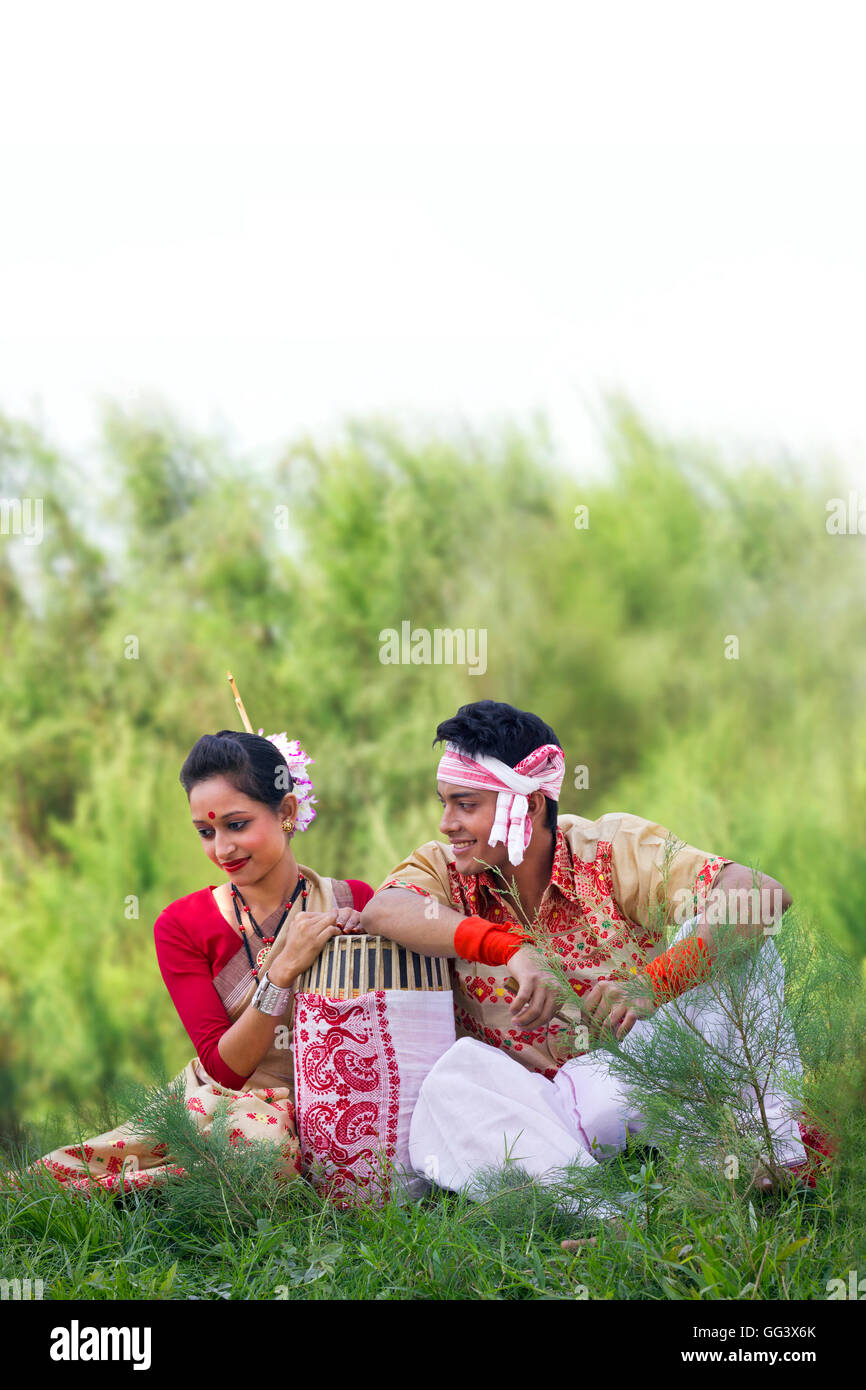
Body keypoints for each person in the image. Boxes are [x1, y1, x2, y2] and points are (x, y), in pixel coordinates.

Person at [360, 699, 828, 1201]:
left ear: (531, 804)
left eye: (467, 805)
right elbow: (384, 909)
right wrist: (509, 947)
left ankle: (775, 1158)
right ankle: (609, 1215)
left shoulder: (607, 848)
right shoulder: (446, 867)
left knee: (741, 948)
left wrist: (657, 981)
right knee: (450, 1084)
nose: (447, 823)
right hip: (544, 1107)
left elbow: (762, 893)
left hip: (646, 1075)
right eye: (444, 803)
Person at [18, 729, 374, 1194]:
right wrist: (282, 971)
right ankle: (130, 1195)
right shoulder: (181, 925)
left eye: (237, 824)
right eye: (206, 832)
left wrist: (361, 937)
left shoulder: (349, 900)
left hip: (339, 1095)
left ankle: (186, 1186)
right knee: (258, 1146)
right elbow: (225, 1070)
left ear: (286, 812)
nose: (221, 849)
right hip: (233, 1102)